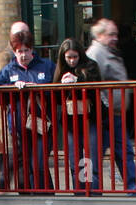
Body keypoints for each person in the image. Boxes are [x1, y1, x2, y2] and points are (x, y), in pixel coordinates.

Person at [0, 43, 56, 192]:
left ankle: (46, 196)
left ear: (32, 50)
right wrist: (11, 87)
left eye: (26, 50)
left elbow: (57, 90)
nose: (23, 54)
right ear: (14, 52)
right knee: (25, 165)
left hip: (41, 125)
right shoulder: (9, 69)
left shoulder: (46, 65)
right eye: (19, 51)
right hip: (19, 126)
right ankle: (30, 195)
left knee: (38, 164)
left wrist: (38, 88)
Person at [87, 18, 136, 192]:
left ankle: (134, 188)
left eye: (116, 34)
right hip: (105, 115)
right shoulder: (96, 53)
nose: (115, 38)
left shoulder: (108, 52)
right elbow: (94, 84)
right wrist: (106, 108)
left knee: (124, 152)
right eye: (111, 34)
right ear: (100, 35)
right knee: (97, 154)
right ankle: (93, 191)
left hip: (114, 114)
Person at [54, 37, 102, 194]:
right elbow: (55, 98)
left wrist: (78, 80)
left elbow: (96, 85)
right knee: (75, 162)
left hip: (90, 119)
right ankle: (79, 193)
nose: (72, 60)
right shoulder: (61, 70)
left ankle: (94, 193)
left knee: (92, 160)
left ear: (80, 54)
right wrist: (62, 85)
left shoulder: (90, 66)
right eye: (68, 57)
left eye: (75, 56)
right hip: (70, 121)